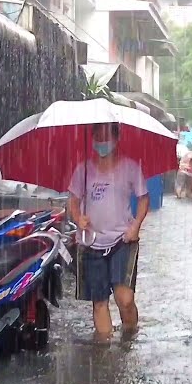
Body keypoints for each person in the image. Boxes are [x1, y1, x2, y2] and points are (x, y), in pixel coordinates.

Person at [67, 122, 149, 340]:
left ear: (116, 138)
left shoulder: (131, 167)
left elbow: (143, 198)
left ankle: (130, 340)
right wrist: (78, 218)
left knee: (125, 299)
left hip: (122, 240)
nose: (102, 142)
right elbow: (73, 201)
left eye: (107, 136)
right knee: (100, 301)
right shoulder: (82, 170)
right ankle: (104, 355)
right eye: (98, 137)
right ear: (92, 139)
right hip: (91, 243)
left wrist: (136, 225)